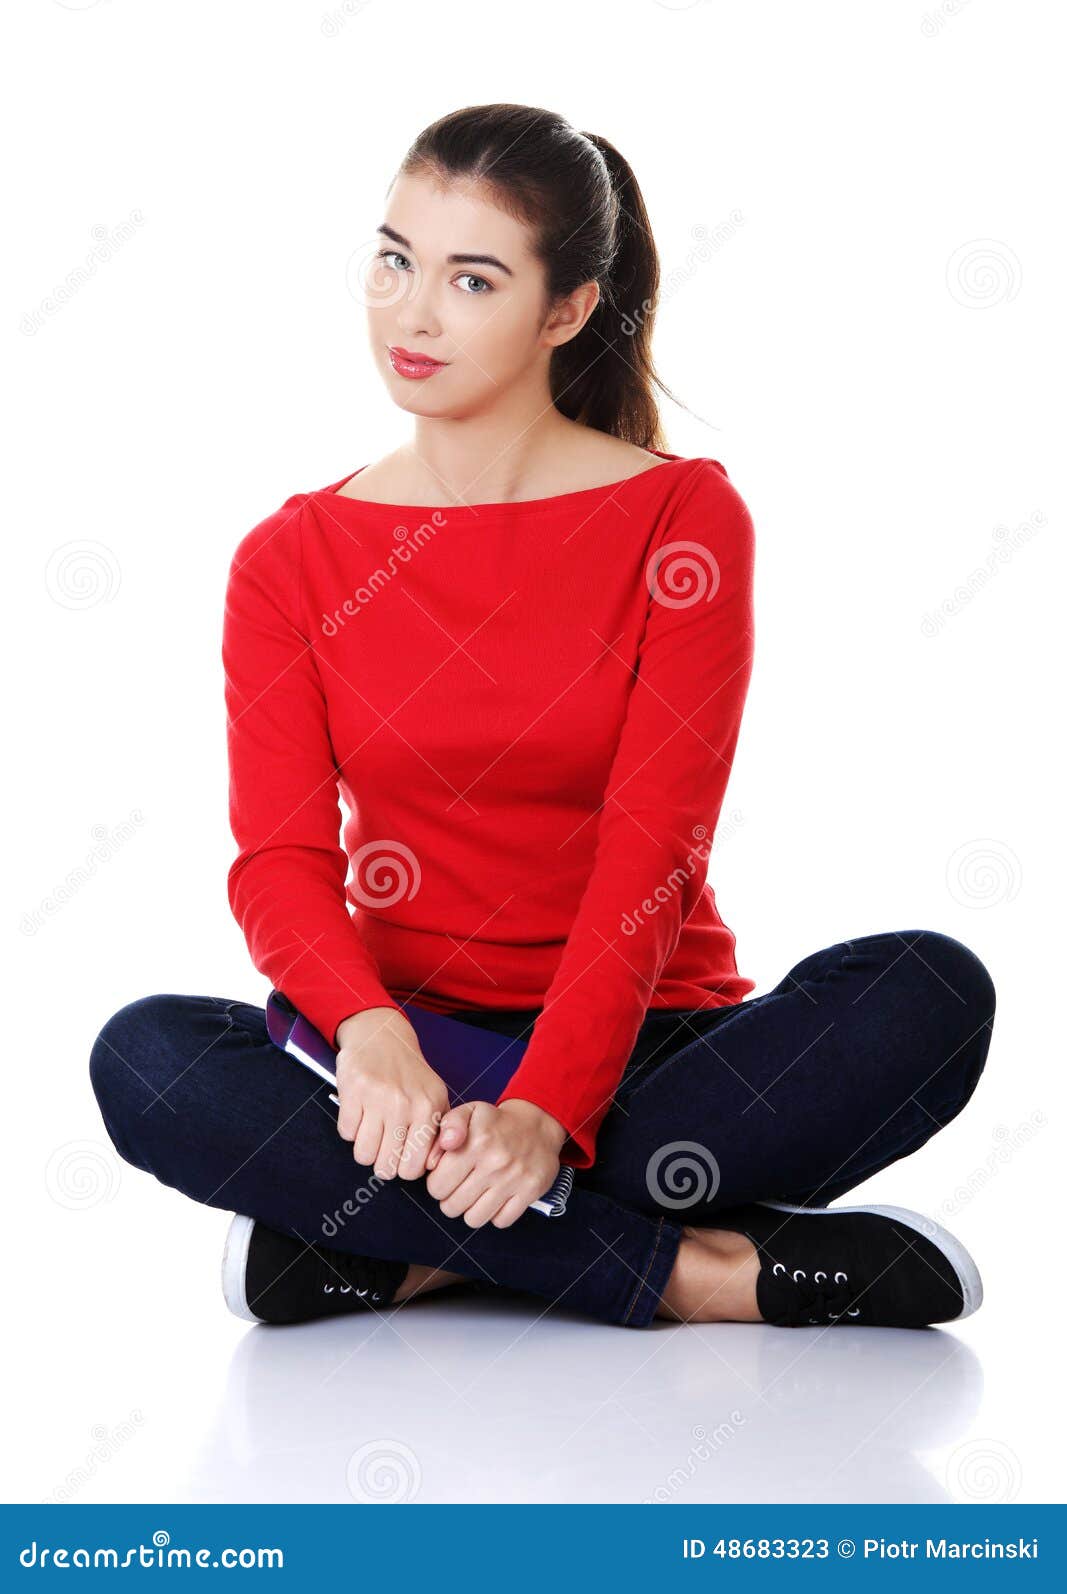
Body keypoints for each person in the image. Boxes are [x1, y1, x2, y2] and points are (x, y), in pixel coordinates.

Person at [88, 103, 996, 1333]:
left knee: (929, 990)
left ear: (565, 310)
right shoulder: (291, 557)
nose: (411, 313)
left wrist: (545, 1112)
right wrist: (371, 1038)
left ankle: (406, 1255)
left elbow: (652, 851)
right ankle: (701, 1273)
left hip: (647, 1055)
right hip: (410, 1062)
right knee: (147, 1059)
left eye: (471, 279)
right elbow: (282, 865)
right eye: (396, 259)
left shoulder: (680, 520)